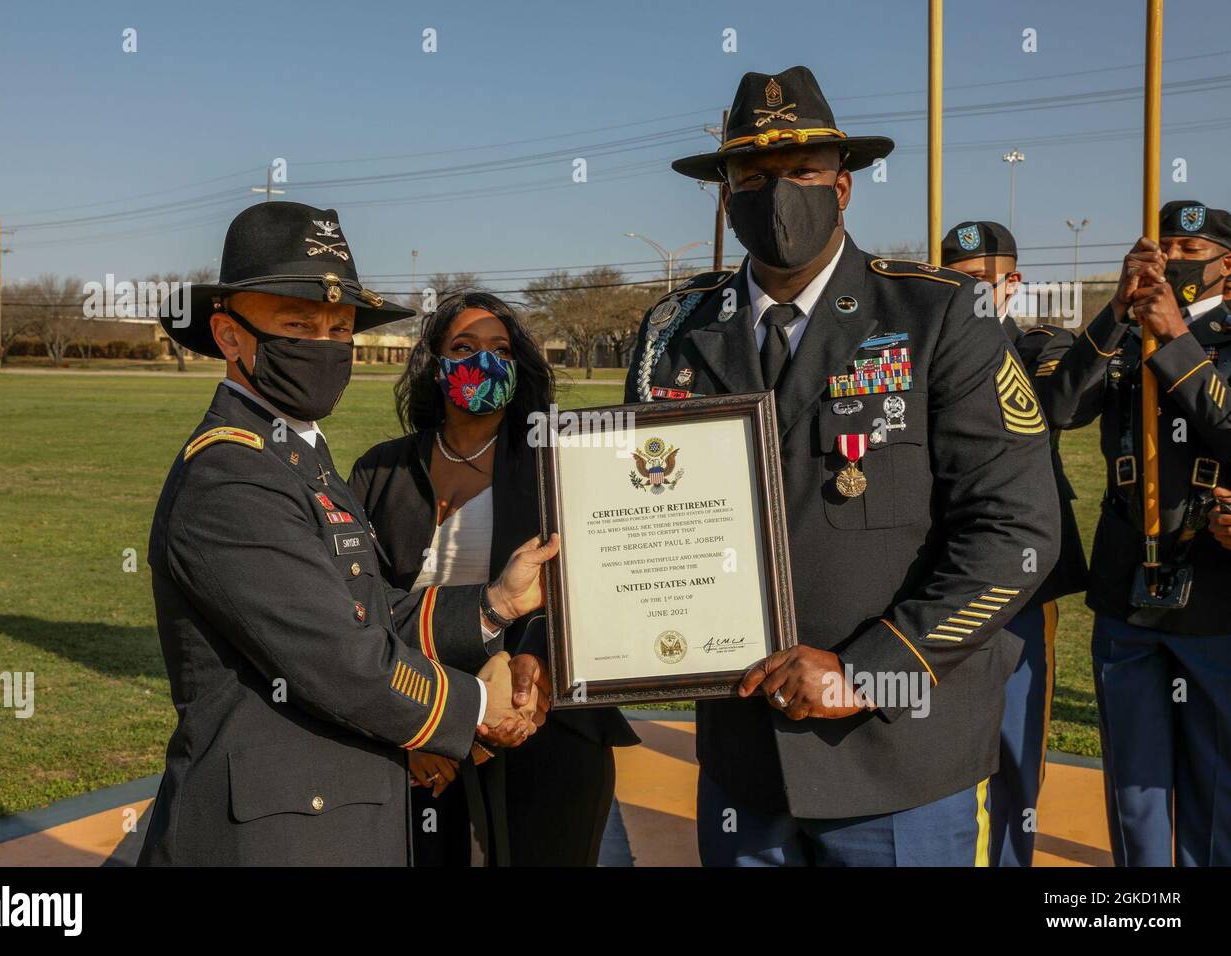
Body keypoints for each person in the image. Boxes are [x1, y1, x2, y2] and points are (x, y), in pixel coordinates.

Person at [625, 66, 1059, 867]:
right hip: (744, 761)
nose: (777, 192)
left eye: (802, 172)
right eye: (753, 175)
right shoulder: (673, 333)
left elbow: (1017, 534)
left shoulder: (939, 315)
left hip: (898, 757)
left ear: (844, 186)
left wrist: (871, 670)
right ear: (726, 195)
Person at [140, 201, 558, 866]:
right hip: (274, 837)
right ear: (229, 335)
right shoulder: (232, 477)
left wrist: (494, 605)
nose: (327, 345)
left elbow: (364, 611)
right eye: (298, 324)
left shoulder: (296, 455)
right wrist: (478, 701)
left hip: (331, 819)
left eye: (340, 328)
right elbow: (339, 658)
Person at [350, 291, 639, 866]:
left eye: (499, 350)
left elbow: (603, 586)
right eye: (463, 347)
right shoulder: (380, 469)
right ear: (435, 365)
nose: (484, 362)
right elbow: (357, 610)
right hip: (421, 728)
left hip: (542, 716)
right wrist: (410, 732)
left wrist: (534, 667)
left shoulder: (558, 459)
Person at [1037, 200, 1231, 866]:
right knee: (1133, 789)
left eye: (1190, 250)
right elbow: (1058, 408)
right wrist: (1118, 310)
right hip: (1127, 587)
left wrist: (1175, 337)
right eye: (1162, 247)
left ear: (1226, 266)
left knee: (1214, 784)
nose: (1173, 260)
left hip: (1213, 589)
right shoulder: (1118, 333)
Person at [940, 221, 1090, 866]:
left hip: (1024, 587)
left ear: (1012, 284)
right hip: (942, 582)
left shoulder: (1041, 343)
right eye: (955, 277)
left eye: (978, 281)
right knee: (948, 756)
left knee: (1016, 754)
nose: (964, 290)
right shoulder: (920, 346)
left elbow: (1058, 405)